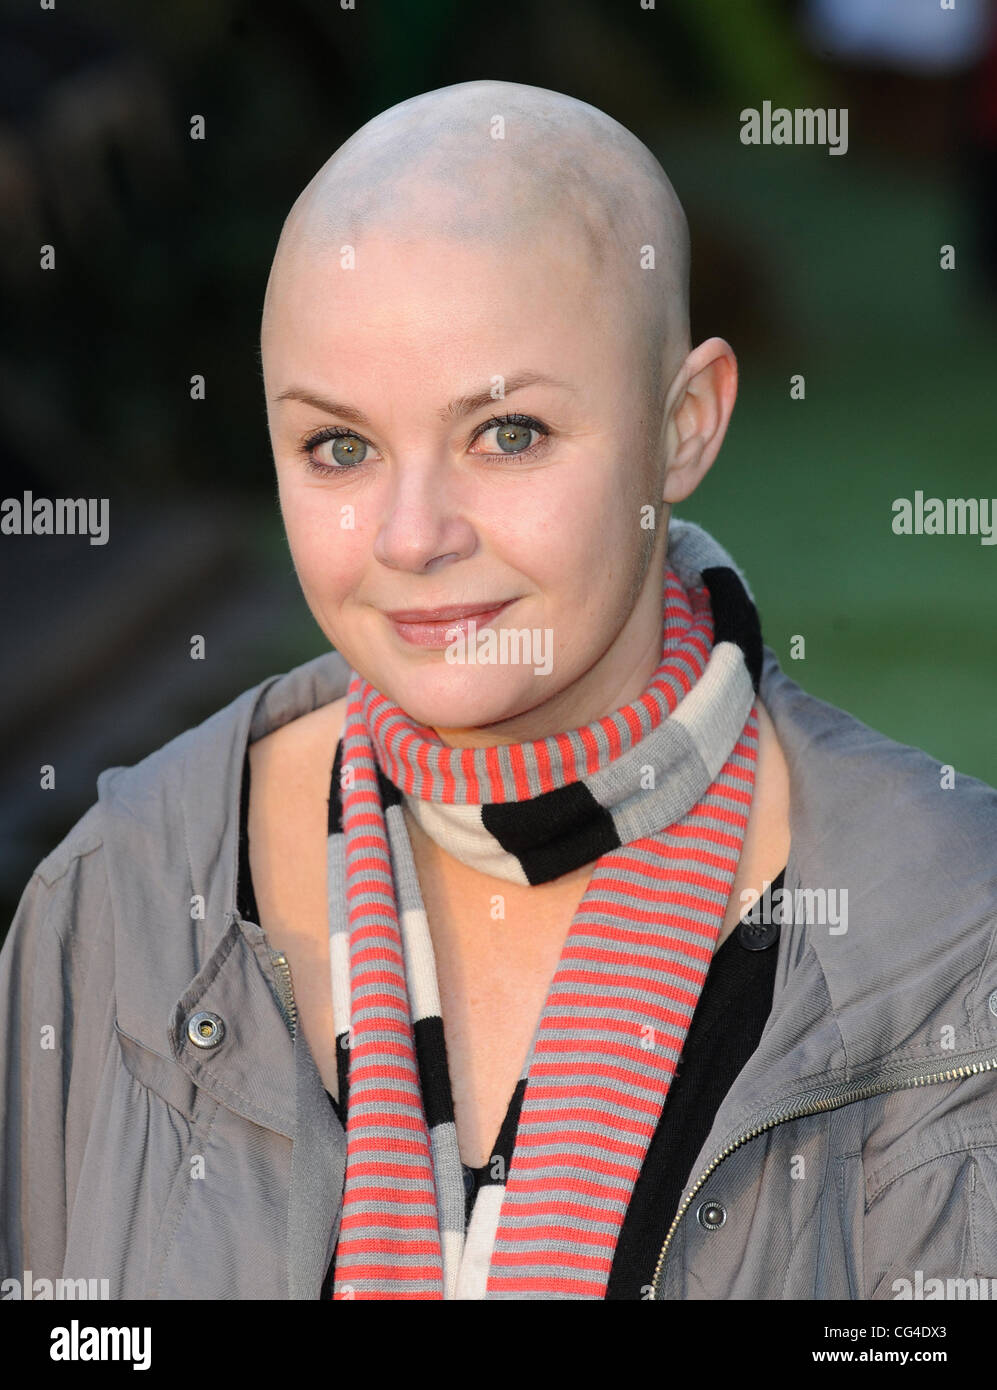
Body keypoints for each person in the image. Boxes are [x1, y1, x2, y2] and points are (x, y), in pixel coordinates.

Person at [2, 79, 996, 1303]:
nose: (413, 534)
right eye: (339, 447)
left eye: (507, 433)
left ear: (683, 425)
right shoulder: (124, 890)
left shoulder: (955, 933)